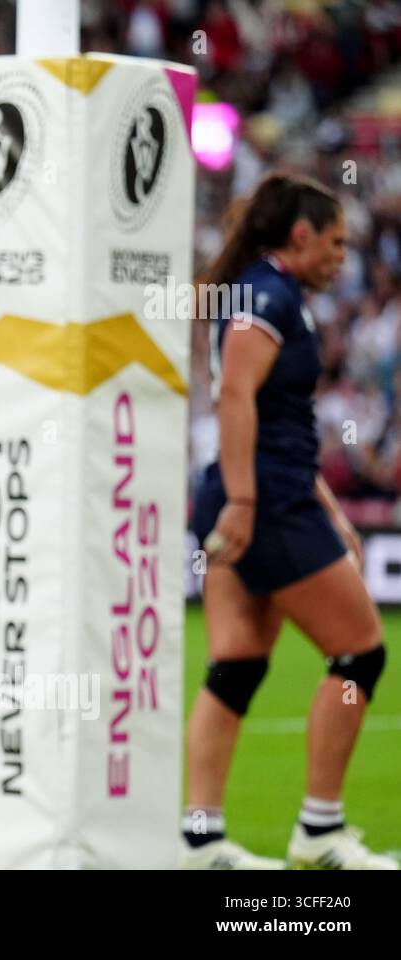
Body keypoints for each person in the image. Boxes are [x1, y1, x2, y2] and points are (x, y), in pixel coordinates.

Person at [183, 172, 395, 870]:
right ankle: (321, 830)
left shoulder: (270, 294)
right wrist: (246, 502)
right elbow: (237, 399)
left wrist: (325, 505)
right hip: (264, 501)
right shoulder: (268, 297)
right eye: (334, 242)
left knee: (235, 667)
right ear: (300, 236)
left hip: (255, 492)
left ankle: (200, 841)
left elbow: (276, 420)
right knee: (359, 654)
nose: (343, 255)